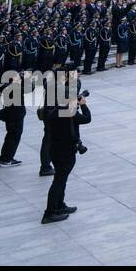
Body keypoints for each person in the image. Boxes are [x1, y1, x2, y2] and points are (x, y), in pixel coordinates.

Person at [40, 69, 91, 224]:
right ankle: (49, 212)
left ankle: (59, 206)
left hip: (56, 149)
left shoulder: (53, 112)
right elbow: (87, 119)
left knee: (61, 179)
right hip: (65, 150)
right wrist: (83, 105)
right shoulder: (69, 113)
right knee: (59, 181)